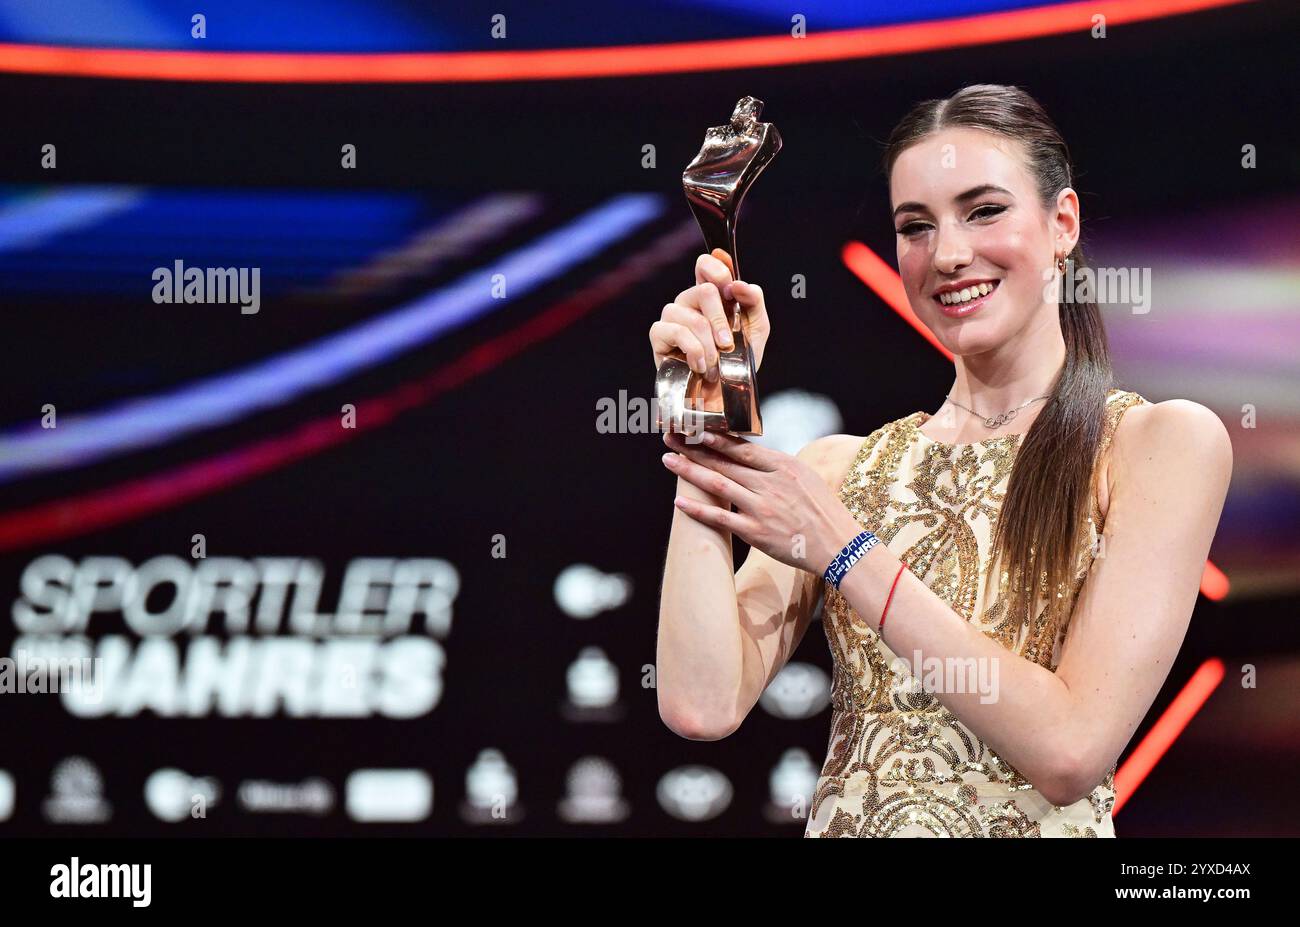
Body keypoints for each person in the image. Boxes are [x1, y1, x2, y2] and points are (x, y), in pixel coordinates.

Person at [649, 83, 1232, 837]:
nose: (948, 255)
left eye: (984, 210)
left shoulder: (1157, 444)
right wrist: (701, 422)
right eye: (915, 226)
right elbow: (702, 703)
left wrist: (844, 550)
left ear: (1063, 224)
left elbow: (1069, 748)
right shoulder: (839, 470)